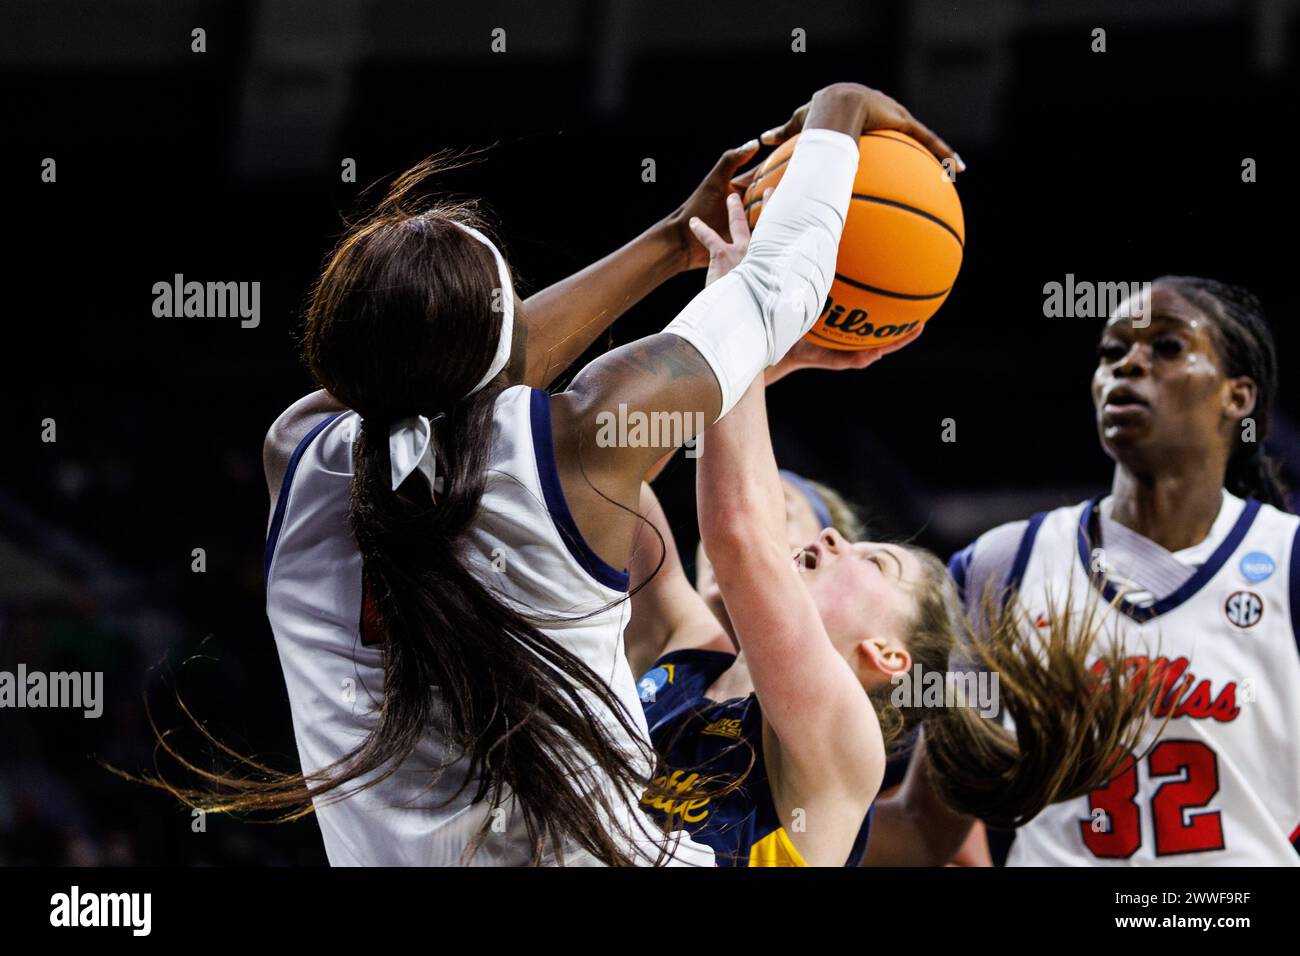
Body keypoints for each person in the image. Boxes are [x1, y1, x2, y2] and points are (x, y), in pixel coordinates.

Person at [167, 82, 962, 866]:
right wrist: (840, 107)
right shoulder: (613, 531)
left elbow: (620, 459)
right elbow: (721, 502)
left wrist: (701, 284)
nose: (827, 533)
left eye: (877, 558)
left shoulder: (302, 448)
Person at [621, 204, 1155, 866]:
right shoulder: (689, 647)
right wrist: (756, 366)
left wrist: (742, 325)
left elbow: (739, 540)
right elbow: (612, 481)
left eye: (876, 563)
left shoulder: (842, 748)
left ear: (887, 655)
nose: (841, 543)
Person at [943, 276, 1300, 865]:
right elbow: (929, 823)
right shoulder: (999, 565)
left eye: (1166, 347)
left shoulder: (1288, 562)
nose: (1128, 364)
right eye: (1112, 352)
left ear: (1238, 397)